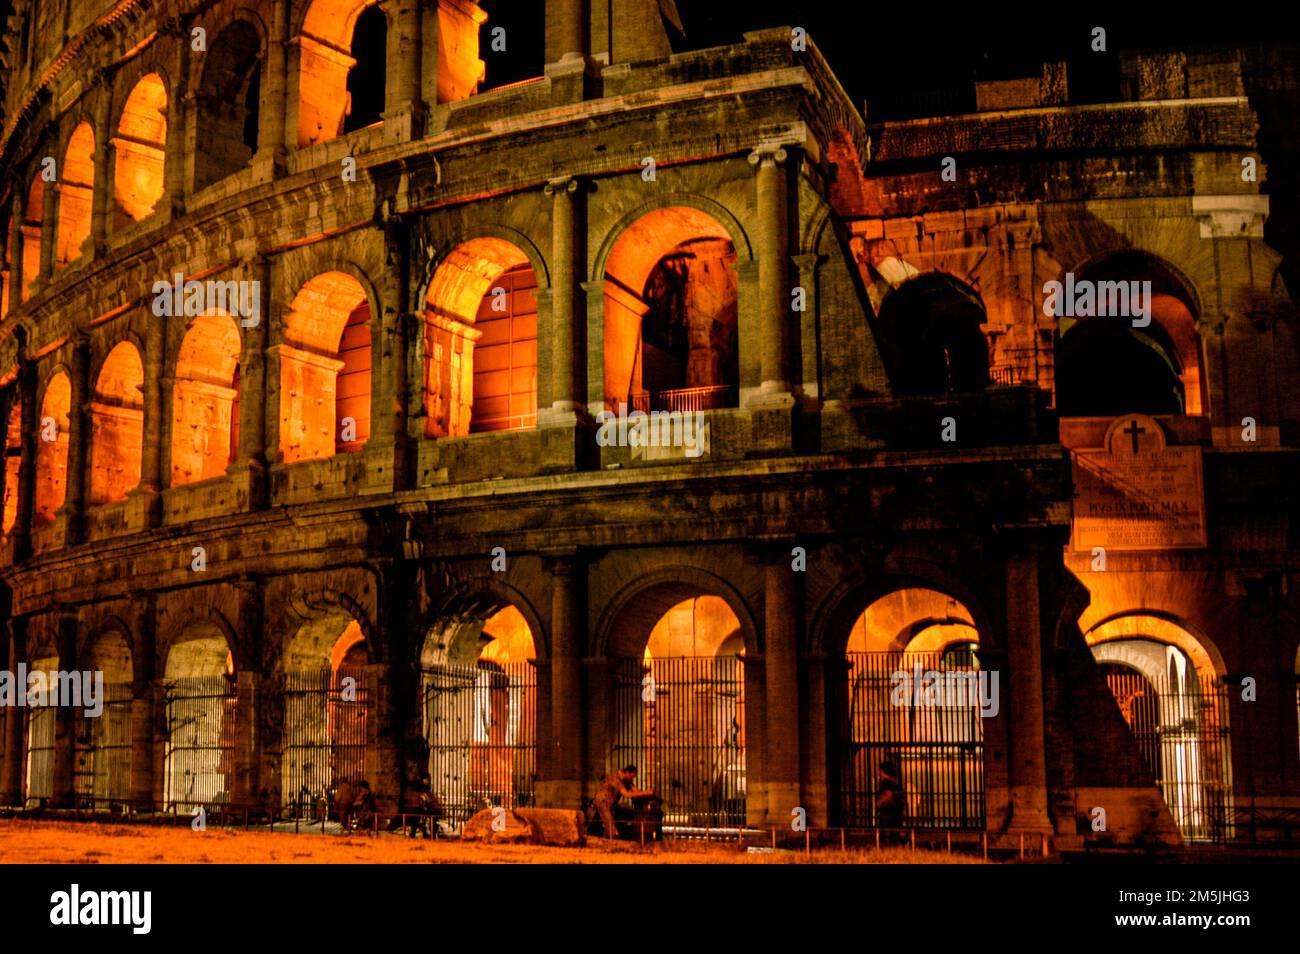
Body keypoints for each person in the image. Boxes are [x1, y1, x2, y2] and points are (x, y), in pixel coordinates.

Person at [592, 765, 650, 839]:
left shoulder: (627, 780)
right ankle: (613, 841)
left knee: (609, 826)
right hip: (603, 802)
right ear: (627, 773)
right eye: (632, 776)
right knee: (611, 827)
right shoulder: (615, 778)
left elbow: (635, 791)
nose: (632, 778)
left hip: (611, 804)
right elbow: (626, 794)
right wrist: (645, 793)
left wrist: (646, 793)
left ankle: (607, 843)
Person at [875, 759, 906, 839]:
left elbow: (887, 796)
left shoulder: (886, 783)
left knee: (887, 836)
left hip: (887, 814)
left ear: (885, 772)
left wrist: (879, 804)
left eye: (880, 771)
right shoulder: (896, 784)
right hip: (895, 813)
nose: (879, 773)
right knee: (894, 834)